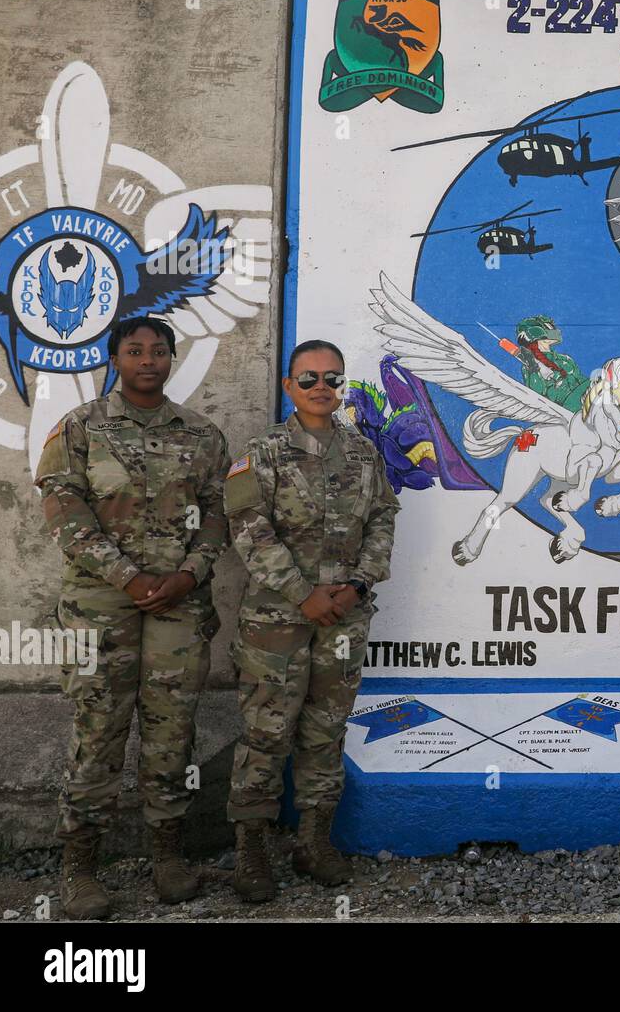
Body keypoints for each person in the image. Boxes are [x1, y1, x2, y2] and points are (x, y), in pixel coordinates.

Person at [35, 316, 230, 919]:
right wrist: (129, 577)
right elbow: (64, 510)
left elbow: (222, 513)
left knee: (173, 730)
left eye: (159, 351)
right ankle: (80, 869)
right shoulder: (80, 428)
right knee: (99, 730)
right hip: (102, 605)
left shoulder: (203, 435)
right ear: (115, 357)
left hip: (178, 602)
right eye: (135, 350)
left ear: (172, 360)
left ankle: (167, 858)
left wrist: (188, 574)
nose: (148, 359)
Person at [224, 339, 398, 902]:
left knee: (326, 731)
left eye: (332, 378)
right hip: (276, 620)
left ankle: (313, 842)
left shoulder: (362, 453)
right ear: (288, 387)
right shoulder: (265, 452)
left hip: (343, 619)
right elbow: (249, 529)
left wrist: (357, 585)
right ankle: (251, 850)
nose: (321, 387)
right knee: (265, 733)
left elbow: (382, 520)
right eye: (308, 379)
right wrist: (303, 594)